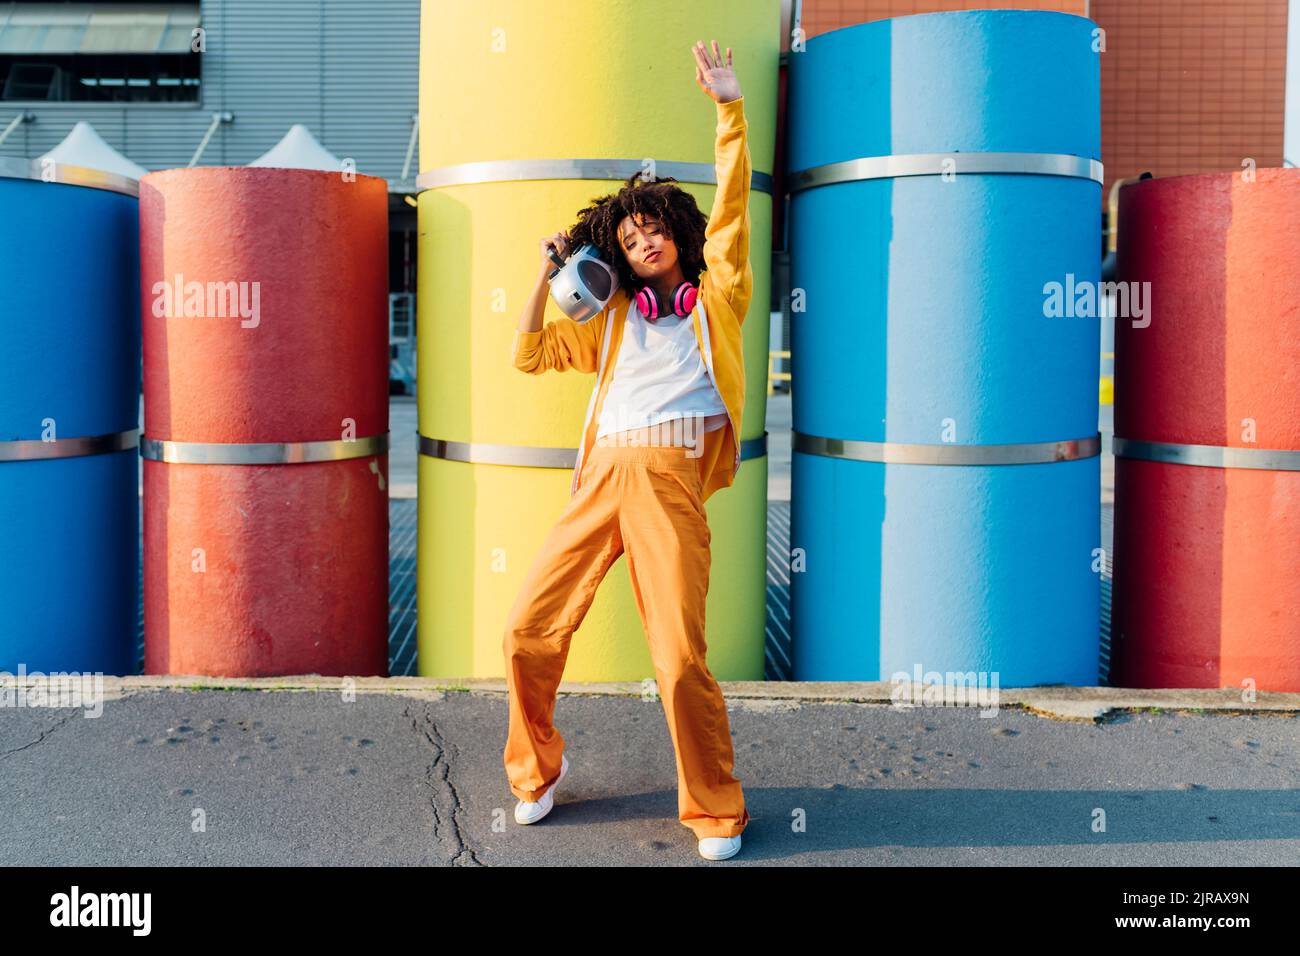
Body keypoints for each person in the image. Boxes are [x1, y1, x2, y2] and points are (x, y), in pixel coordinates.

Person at [503, 39, 753, 862]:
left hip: (671, 479)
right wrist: (544, 276)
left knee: (680, 660)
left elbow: (734, 211)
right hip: (603, 476)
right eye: (631, 234)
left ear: (677, 235)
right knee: (527, 629)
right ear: (617, 248)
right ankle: (536, 766)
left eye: (655, 229)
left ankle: (714, 810)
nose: (645, 241)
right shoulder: (608, 321)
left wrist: (728, 109)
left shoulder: (715, 301)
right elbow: (530, 354)